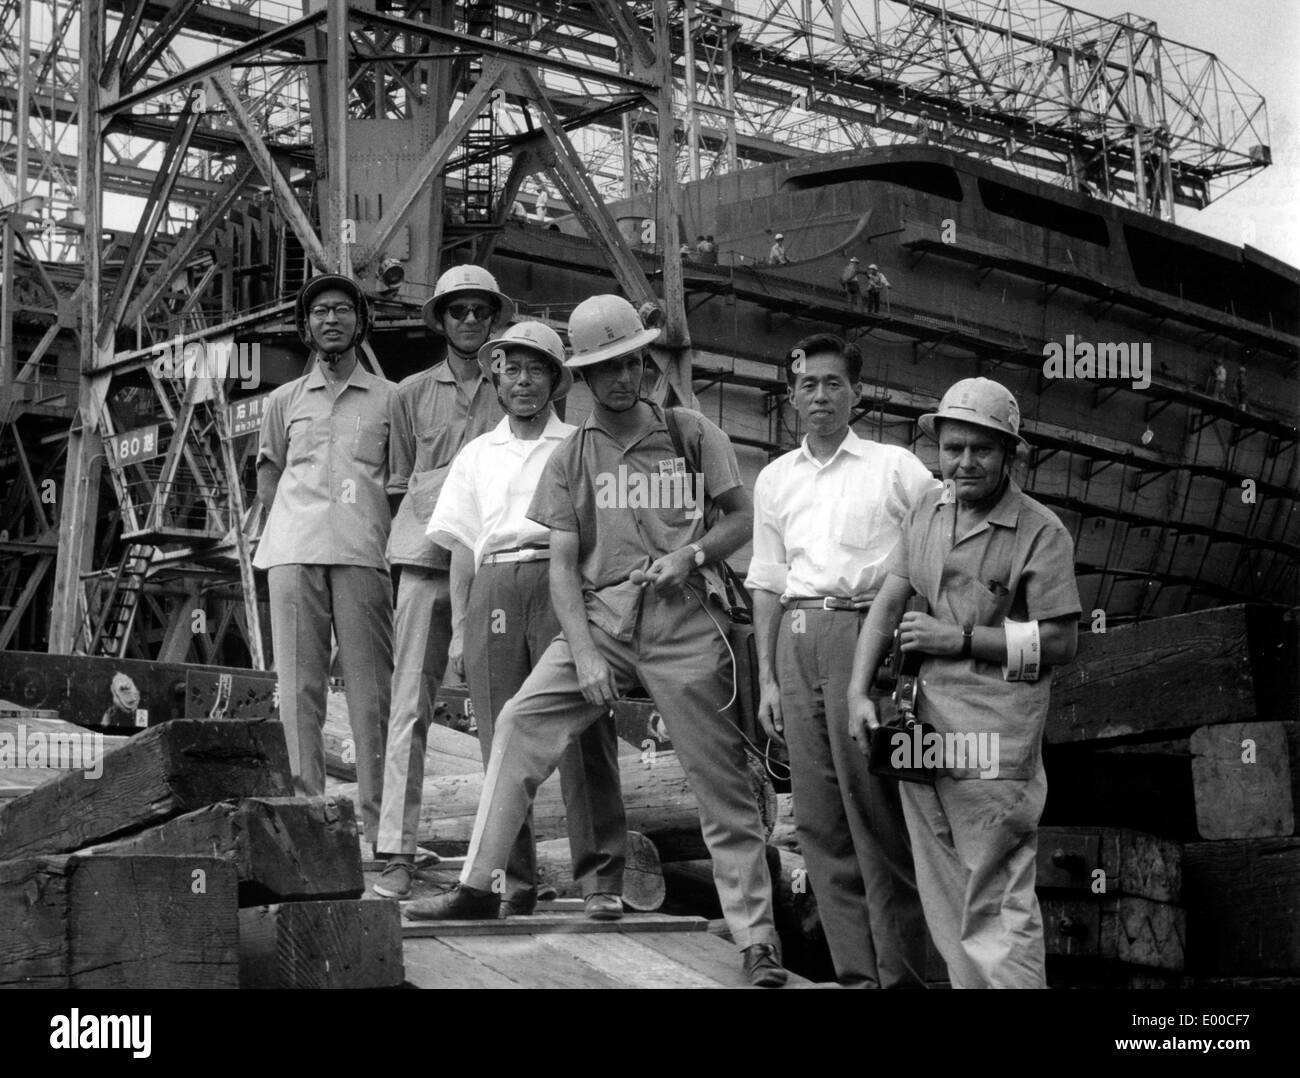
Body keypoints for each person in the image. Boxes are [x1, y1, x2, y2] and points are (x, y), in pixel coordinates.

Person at [405, 295, 789, 988]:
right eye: (606, 367)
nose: (623, 377)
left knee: (721, 784)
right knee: (520, 722)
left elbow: (740, 518)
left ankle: (757, 939)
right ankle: (478, 884)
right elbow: (560, 564)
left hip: (686, 626)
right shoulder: (571, 456)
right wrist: (582, 652)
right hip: (605, 624)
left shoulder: (691, 433)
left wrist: (693, 556)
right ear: (580, 377)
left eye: (632, 362)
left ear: (644, 362)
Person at [846, 377, 1081, 989]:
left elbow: (1061, 643)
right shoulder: (929, 507)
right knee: (946, 898)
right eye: (954, 448)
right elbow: (890, 599)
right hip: (922, 730)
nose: (964, 462)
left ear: (1010, 454)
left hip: (993, 744)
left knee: (997, 902)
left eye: (981, 449)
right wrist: (855, 691)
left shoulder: (1040, 531)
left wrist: (963, 640)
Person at [746, 334, 938, 988]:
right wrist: (769, 677)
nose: (821, 396)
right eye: (808, 384)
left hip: (867, 638)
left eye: (834, 383)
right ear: (792, 393)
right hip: (797, 641)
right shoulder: (775, 479)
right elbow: (768, 582)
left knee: (879, 821)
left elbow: (941, 548)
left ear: (856, 392)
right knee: (819, 824)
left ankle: (904, 979)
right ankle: (857, 977)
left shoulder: (896, 468)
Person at [426, 321, 627, 916]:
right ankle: (508, 883)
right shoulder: (476, 454)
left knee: (584, 730)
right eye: (511, 368)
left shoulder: (580, 445)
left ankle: (600, 883)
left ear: (557, 380)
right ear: (495, 375)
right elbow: (463, 546)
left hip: (561, 580)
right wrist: (461, 626)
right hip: (495, 582)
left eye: (536, 368)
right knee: (499, 732)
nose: (523, 380)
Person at [373, 265, 514, 898]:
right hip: (426, 564)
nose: (468, 320)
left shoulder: (513, 386)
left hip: (498, 565)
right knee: (409, 708)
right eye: (456, 310)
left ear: (492, 317)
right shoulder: (408, 394)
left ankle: (499, 864)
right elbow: (400, 481)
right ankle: (397, 852)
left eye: (478, 310)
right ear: (441, 319)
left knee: (502, 715)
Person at [254, 275, 407, 846]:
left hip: (364, 556)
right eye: (320, 311)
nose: (331, 319)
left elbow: (400, 483)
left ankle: (379, 829)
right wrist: (291, 526)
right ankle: (307, 824)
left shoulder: (391, 400)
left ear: (360, 322)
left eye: (343, 309)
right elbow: (269, 474)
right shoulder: (283, 402)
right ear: (306, 326)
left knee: (372, 694)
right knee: (297, 692)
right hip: (293, 555)